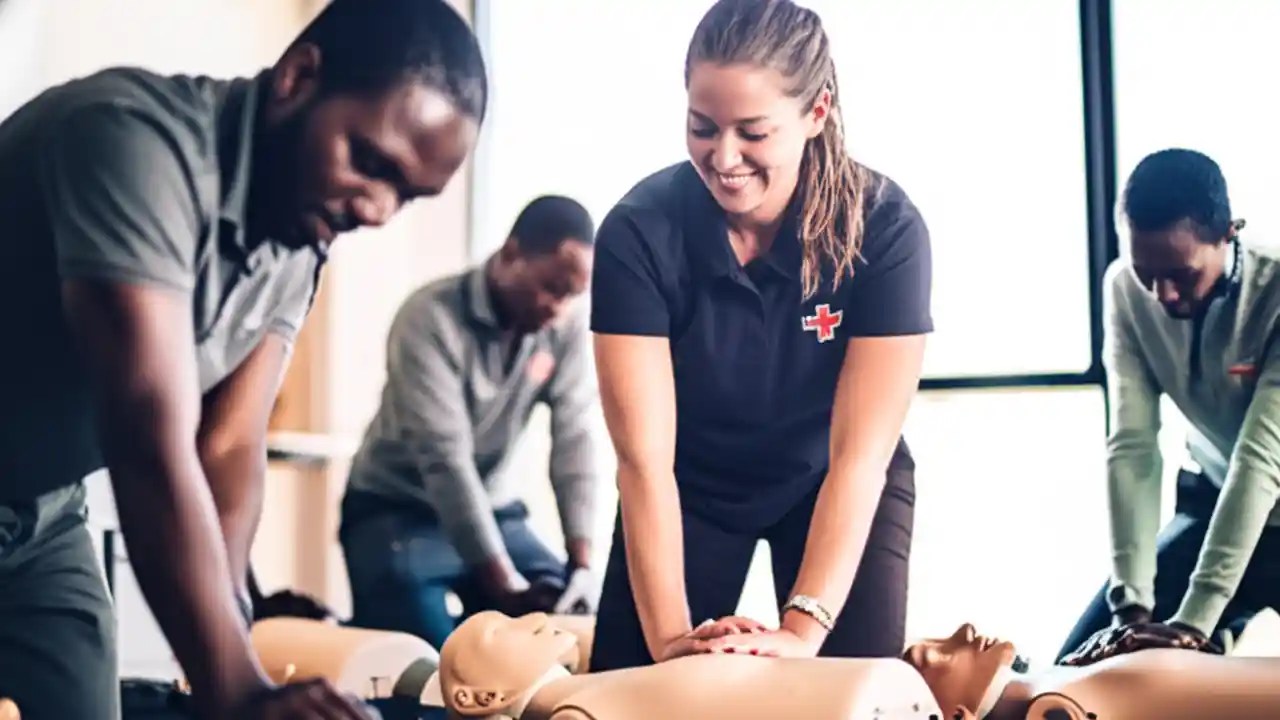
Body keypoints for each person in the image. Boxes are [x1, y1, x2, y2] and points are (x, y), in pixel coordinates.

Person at [0, 0, 486, 716]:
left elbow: (228, 444)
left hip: (43, 516)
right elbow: (146, 431)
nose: (378, 210)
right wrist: (238, 689)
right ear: (298, 76)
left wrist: (228, 653)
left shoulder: (299, 246)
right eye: (369, 160)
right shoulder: (128, 142)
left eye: (407, 194)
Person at [587, 0, 932, 670]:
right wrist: (667, 645)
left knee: (849, 695)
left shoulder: (885, 229)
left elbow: (860, 460)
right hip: (690, 486)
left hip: (830, 478)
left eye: (753, 132)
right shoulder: (637, 233)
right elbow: (643, 464)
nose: (723, 158)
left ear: (816, 112)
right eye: (701, 127)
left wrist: (802, 630)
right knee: (634, 695)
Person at [340, 195, 601, 650]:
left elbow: (574, 442)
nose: (558, 308)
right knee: (424, 662)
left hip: (495, 511)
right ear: (511, 254)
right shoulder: (429, 318)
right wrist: (503, 585)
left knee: (567, 633)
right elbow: (445, 460)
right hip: (396, 510)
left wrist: (580, 565)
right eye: (551, 288)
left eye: (572, 296)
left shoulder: (562, 329)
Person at [1055, 148, 1280, 663]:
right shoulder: (1125, 291)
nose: (1164, 295)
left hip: (1260, 490)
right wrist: (1131, 608)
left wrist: (1191, 624)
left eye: (1181, 273)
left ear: (1229, 233)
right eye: (1146, 273)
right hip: (1212, 501)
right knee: (1083, 670)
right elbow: (1132, 447)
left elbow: (1262, 461)